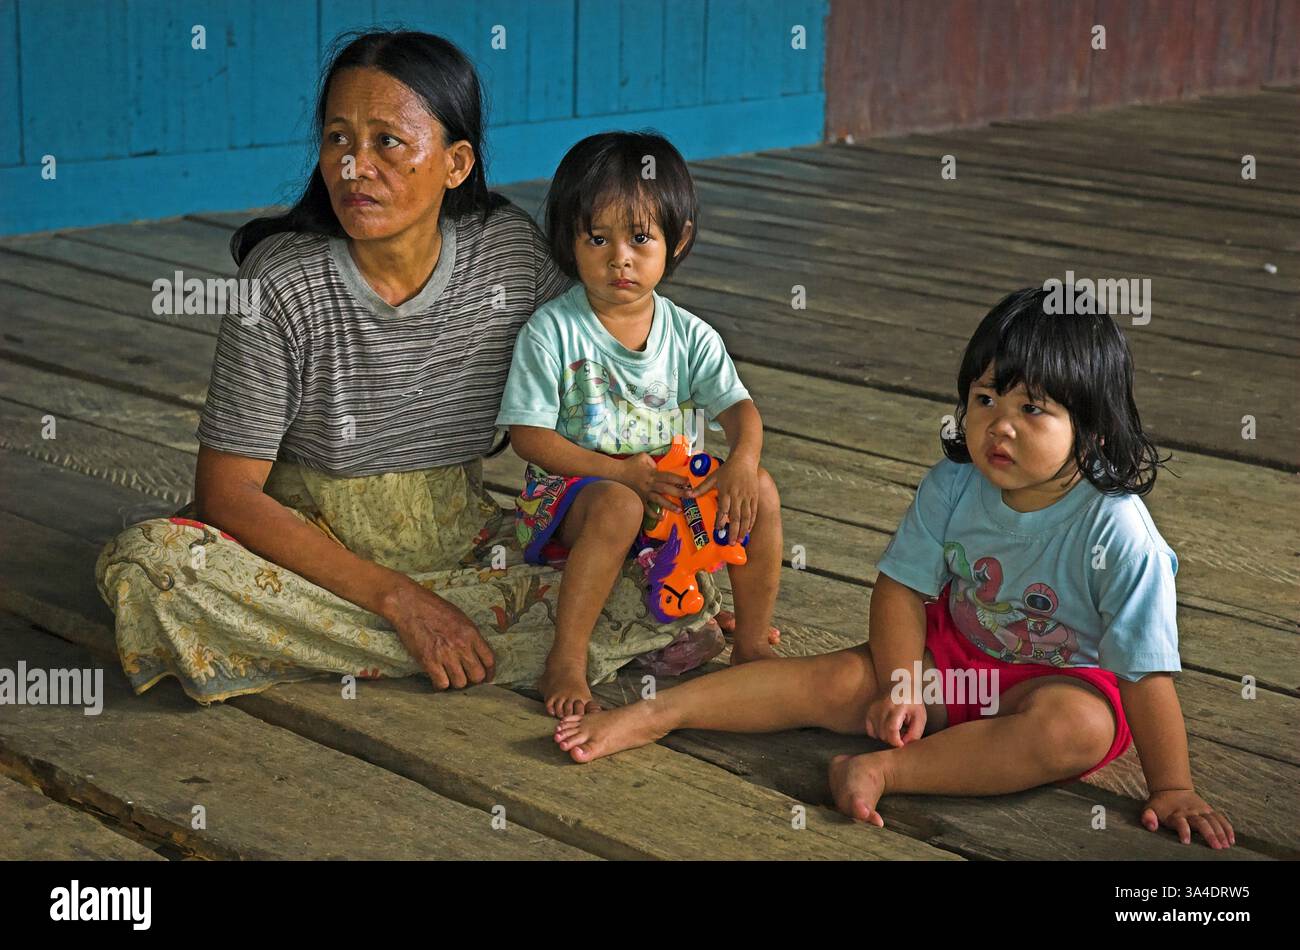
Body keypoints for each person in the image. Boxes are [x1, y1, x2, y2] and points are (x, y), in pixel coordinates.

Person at [95, 32, 720, 704]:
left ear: (456, 163)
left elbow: (614, 372)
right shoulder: (280, 283)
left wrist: (678, 553)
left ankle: (390, 641)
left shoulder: (505, 255)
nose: (354, 167)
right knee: (155, 568)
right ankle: (475, 636)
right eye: (338, 139)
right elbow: (227, 495)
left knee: (628, 532)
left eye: (387, 142)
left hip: (469, 545)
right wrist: (401, 601)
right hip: (311, 558)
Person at [553, 286, 1236, 850]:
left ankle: (883, 770)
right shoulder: (954, 484)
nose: (999, 425)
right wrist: (905, 684)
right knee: (834, 679)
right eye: (985, 399)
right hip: (952, 656)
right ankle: (657, 715)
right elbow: (902, 589)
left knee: (1072, 731)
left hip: (1066, 684)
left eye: (1033, 409)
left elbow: (1144, 671)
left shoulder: (1119, 533)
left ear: (1093, 434)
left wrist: (1172, 786)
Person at [496, 131, 784, 717]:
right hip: (574, 496)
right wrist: (620, 474)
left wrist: (743, 464)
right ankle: (568, 660)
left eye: (639, 238)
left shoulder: (690, 336)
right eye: (597, 238)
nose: (618, 257)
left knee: (764, 492)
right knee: (619, 506)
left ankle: (751, 640)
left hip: (667, 491)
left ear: (677, 242)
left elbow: (741, 413)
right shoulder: (552, 331)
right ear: (570, 242)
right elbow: (529, 439)